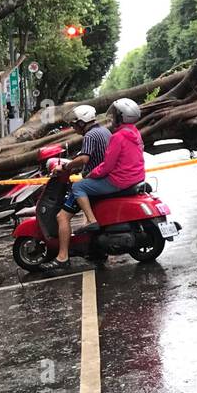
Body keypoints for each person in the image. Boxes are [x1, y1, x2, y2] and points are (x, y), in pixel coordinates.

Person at [45, 99, 144, 271]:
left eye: (75, 124)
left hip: (110, 179)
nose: (73, 127)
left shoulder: (96, 136)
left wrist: (72, 168)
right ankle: (96, 250)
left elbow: (92, 161)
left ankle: (62, 257)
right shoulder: (107, 132)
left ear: (82, 123)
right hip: (130, 177)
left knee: (63, 214)